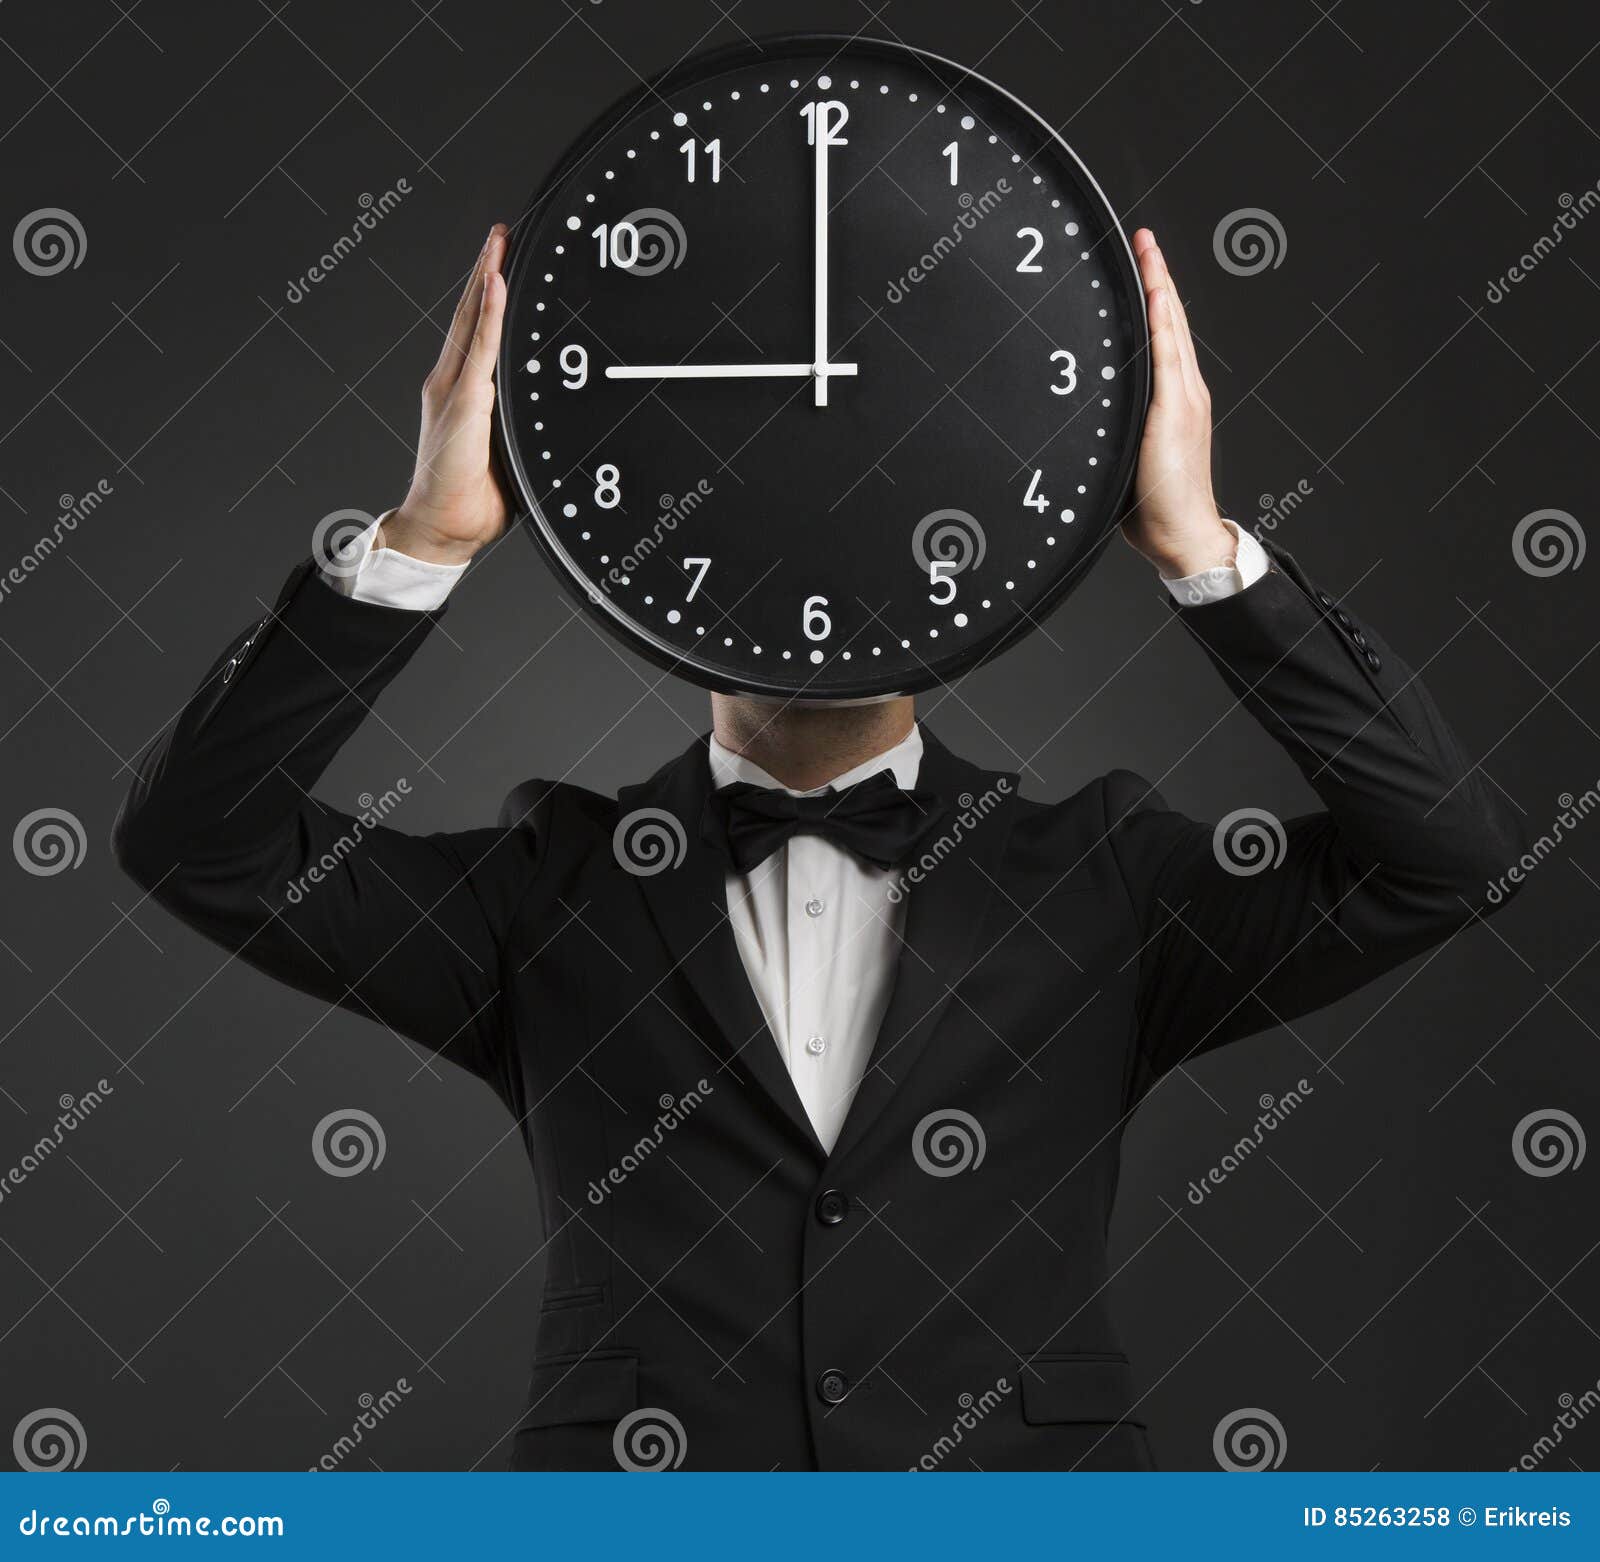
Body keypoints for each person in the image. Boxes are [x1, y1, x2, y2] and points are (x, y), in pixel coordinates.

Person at [114, 224, 1524, 1471]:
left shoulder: (1104, 878)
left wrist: (1204, 552)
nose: (820, 570)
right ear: (661, 571)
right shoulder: (551, 889)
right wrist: (421, 536)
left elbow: (1444, 858)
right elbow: (200, 843)